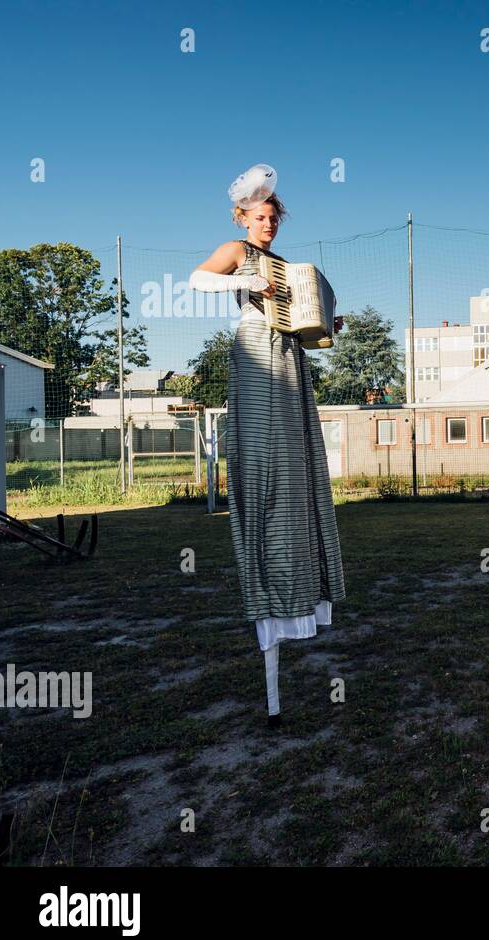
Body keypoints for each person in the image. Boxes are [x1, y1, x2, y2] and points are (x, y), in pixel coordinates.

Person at [189, 164, 346, 728]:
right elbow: (196, 280)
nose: (268, 225)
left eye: (273, 218)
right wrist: (244, 282)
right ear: (243, 217)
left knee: (298, 472)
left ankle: (298, 577)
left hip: (290, 362)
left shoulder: (286, 265)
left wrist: (327, 322)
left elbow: (303, 320)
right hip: (256, 358)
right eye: (261, 217)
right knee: (263, 475)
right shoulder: (236, 250)